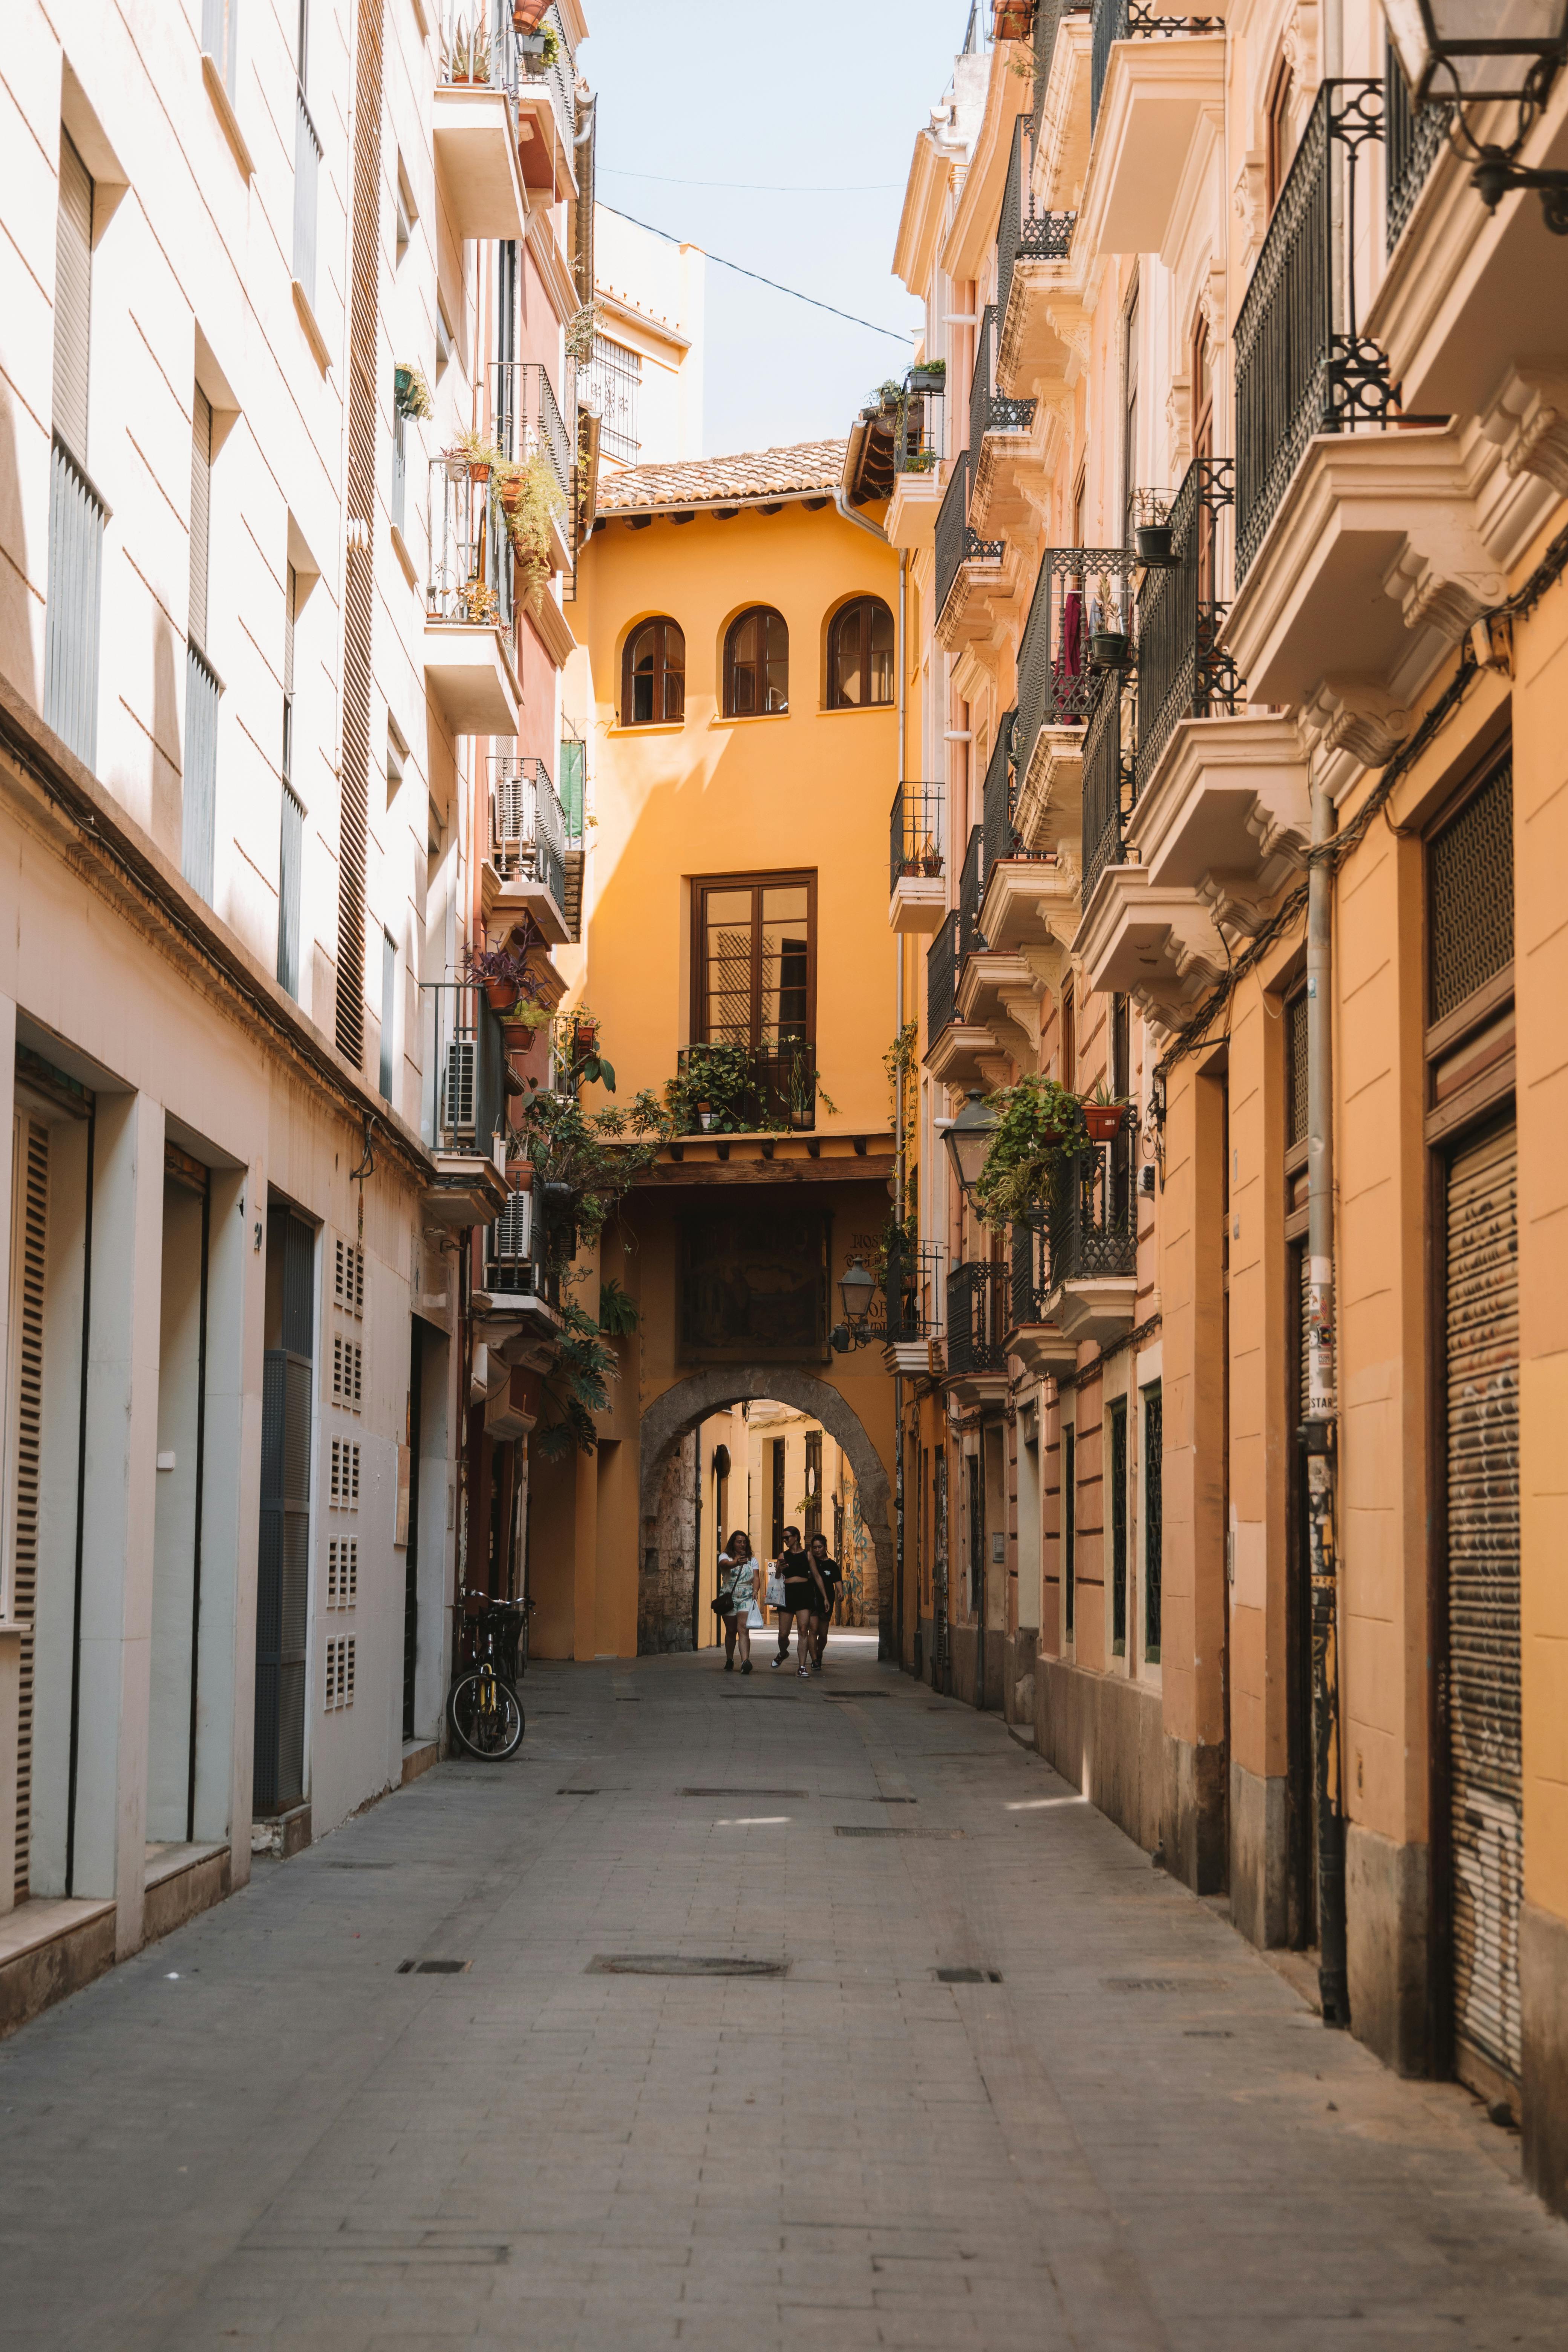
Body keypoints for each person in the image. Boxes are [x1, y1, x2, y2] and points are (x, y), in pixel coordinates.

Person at [770, 1525, 825, 1678]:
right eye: (784, 1538)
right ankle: (783, 1653)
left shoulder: (807, 1555)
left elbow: (817, 1576)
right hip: (788, 1594)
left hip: (804, 1593)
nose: (785, 1540)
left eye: (787, 1537)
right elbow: (777, 1579)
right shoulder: (783, 1555)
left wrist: (825, 1597)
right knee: (783, 1634)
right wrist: (779, 1570)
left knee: (803, 1630)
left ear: (796, 1537)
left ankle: (802, 1666)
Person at [716, 1530, 756, 1673]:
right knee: (731, 1631)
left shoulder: (752, 1560)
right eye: (739, 1542)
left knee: (743, 1628)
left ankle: (745, 1661)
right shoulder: (725, 1556)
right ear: (733, 1543)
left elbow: (756, 1578)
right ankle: (730, 1659)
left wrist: (756, 1591)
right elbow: (725, 1565)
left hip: (747, 1595)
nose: (742, 1544)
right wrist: (736, 1563)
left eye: (744, 1542)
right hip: (729, 1596)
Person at [807, 1532, 841, 1670]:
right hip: (811, 1599)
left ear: (825, 1547)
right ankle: (815, 1660)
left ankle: (819, 1652)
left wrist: (841, 1592)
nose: (817, 1550)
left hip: (827, 1601)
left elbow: (838, 1581)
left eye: (820, 1547)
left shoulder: (832, 1565)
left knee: (823, 1635)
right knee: (813, 1630)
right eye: (815, 1548)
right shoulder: (810, 1562)